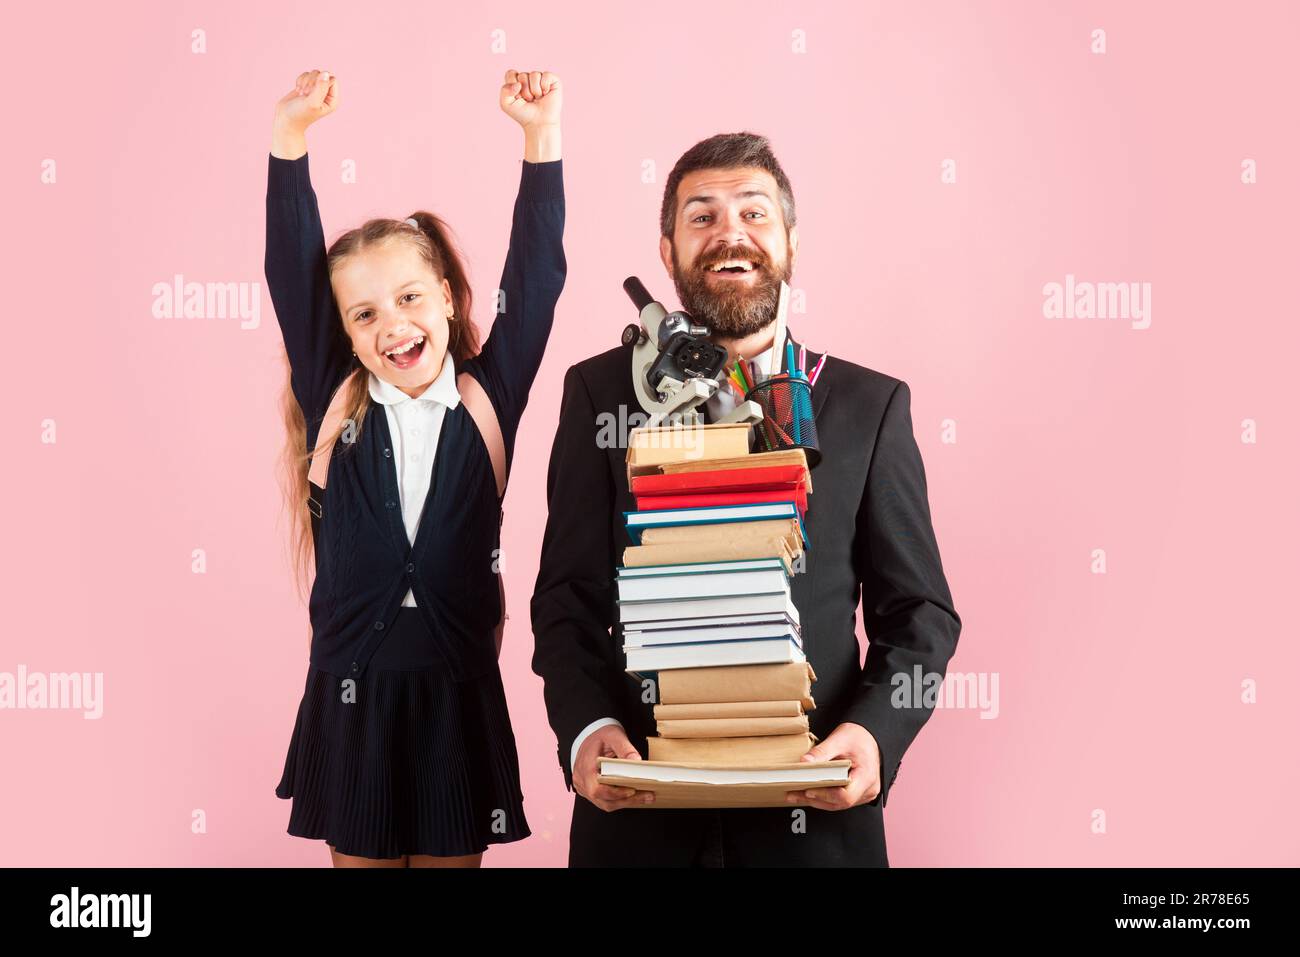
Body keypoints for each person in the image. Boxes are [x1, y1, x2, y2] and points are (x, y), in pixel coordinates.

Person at [530, 132, 959, 866]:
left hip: (816, 821)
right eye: (702, 216)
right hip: (639, 820)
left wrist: (873, 734)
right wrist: (587, 726)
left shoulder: (870, 404)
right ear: (666, 252)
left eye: (754, 213)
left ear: (790, 241)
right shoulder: (598, 394)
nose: (730, 231)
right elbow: (567, 598)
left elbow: (920, 615)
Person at [267, 68, 565, 867]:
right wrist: (290, 140)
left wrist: (540, 141)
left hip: (452, 693)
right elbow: (291, 273)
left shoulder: (486, 400)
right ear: (346, 337)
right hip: (352, 695)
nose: (392, 325)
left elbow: (536, 279)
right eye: (365, 315)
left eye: (408, 300)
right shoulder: (337, 402)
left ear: (443, 295)